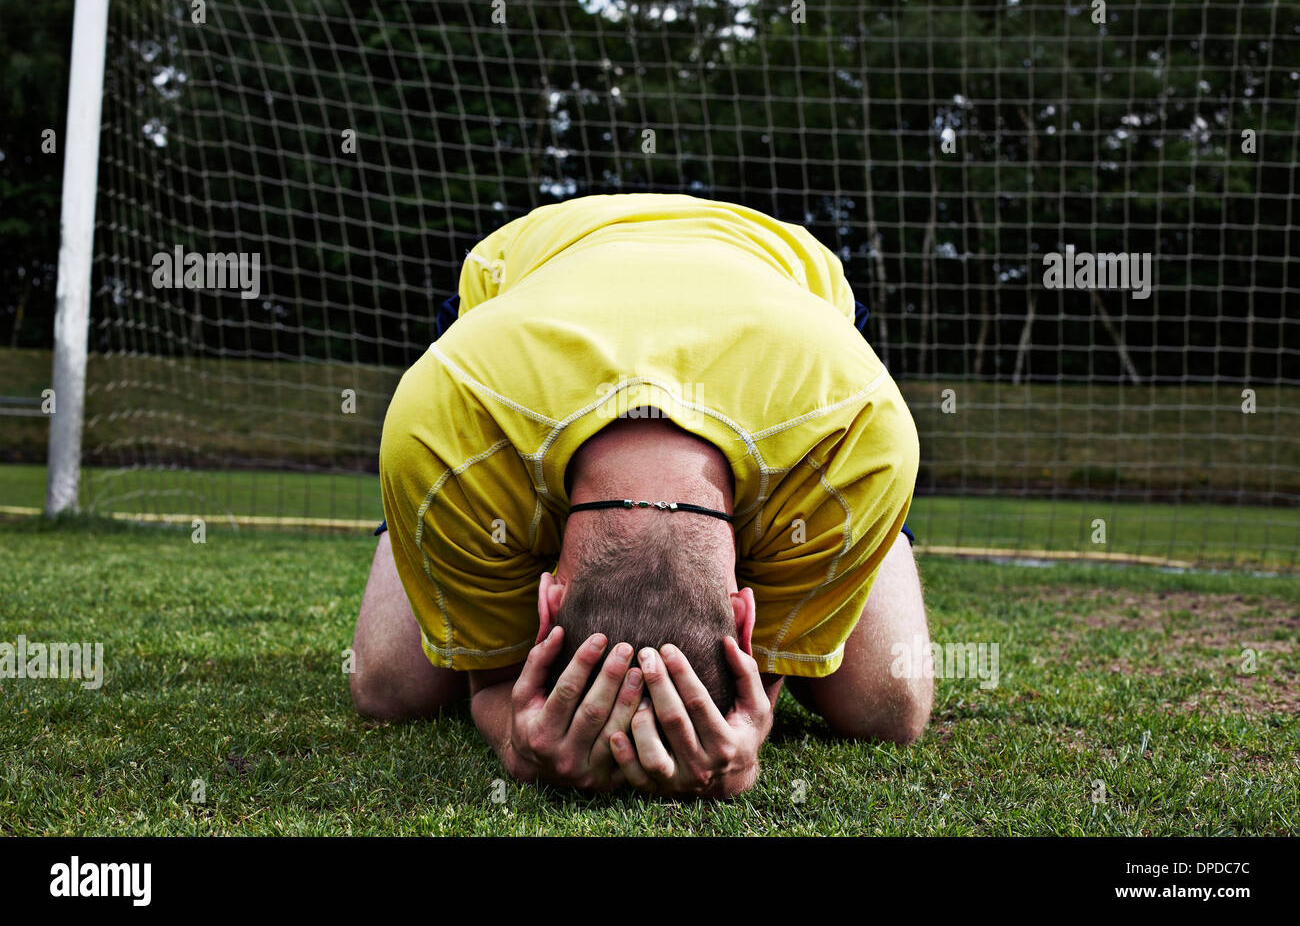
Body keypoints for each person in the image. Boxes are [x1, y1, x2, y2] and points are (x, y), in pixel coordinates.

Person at [351, 193, 931, 798]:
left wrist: (750, 732)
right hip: (524, 282)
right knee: (392, 689)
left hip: (795, 298)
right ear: (743, 615)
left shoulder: (861, 427)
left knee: (883, 708)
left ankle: (854, 536)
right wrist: (514, 738)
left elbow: (494, 688)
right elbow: (491, 684)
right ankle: (425, 516)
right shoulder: (439, 419)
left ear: (548, 603)